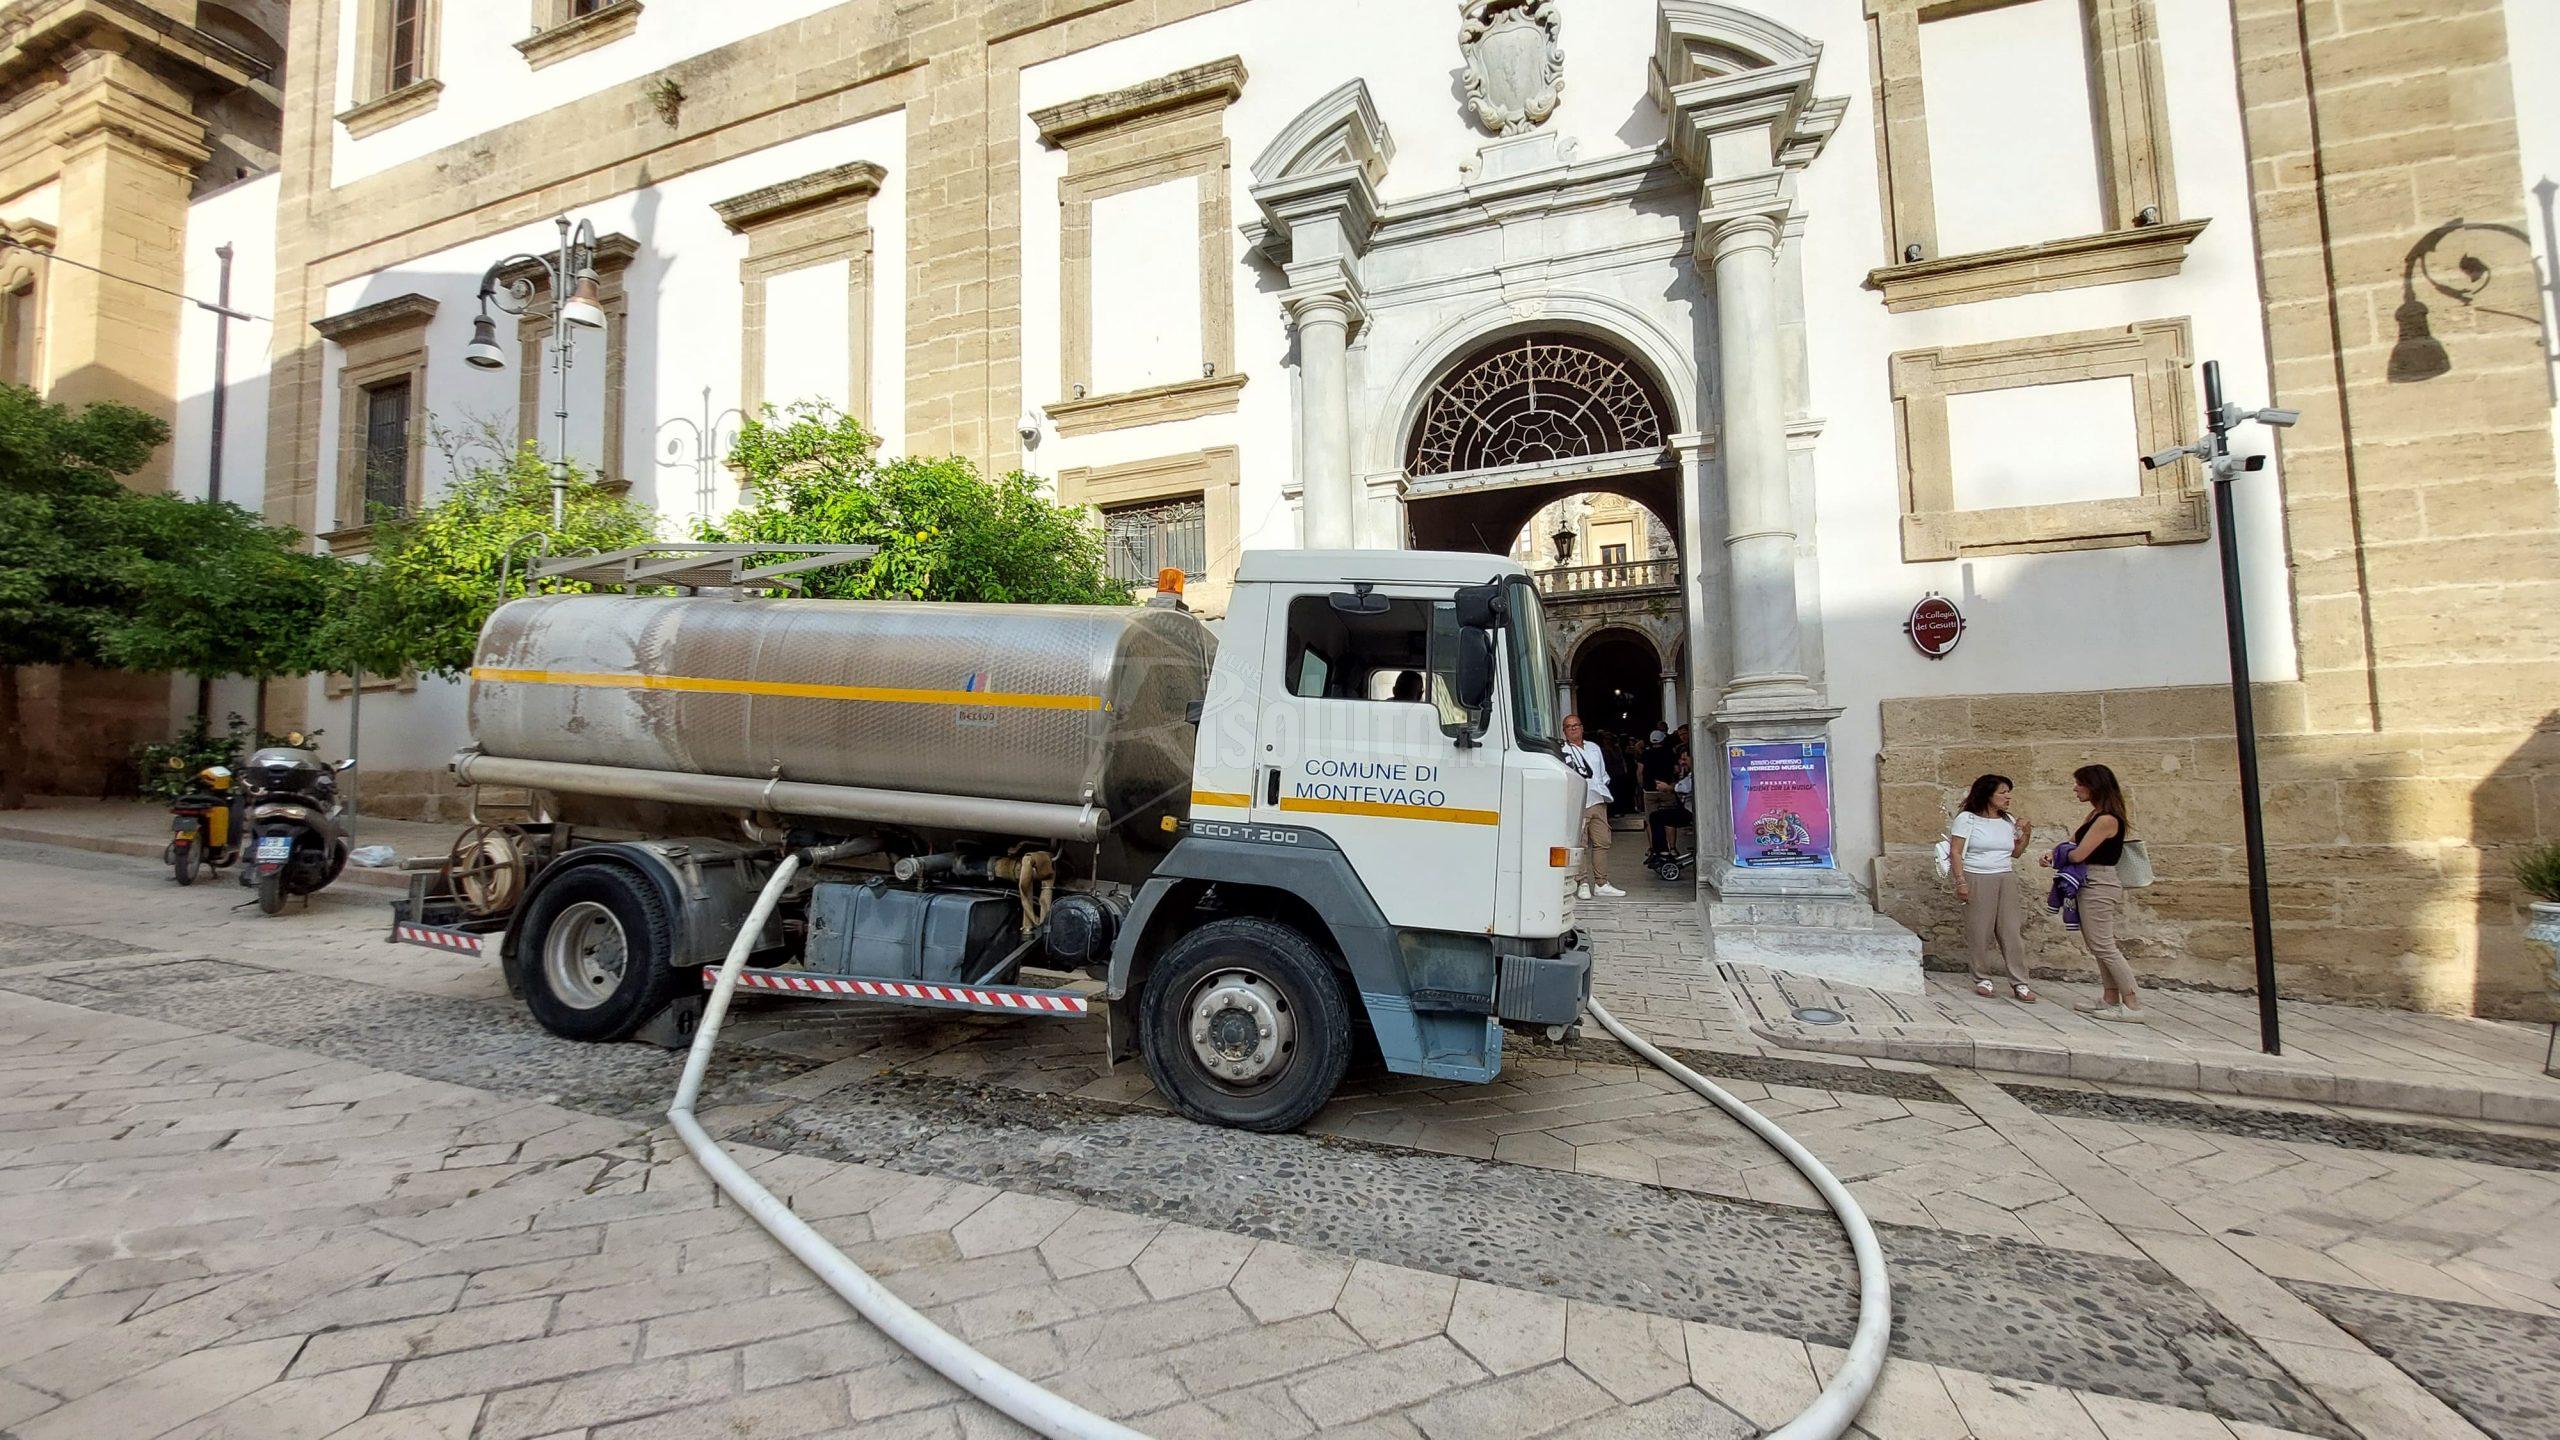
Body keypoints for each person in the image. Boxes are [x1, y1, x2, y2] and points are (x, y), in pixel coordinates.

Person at [2040, 763, 2142, 1022]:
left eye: (2080, 783)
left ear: (2094, 786)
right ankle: (2110, 998)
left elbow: (2077, 854)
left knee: (2104, 945)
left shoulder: (2107, 819)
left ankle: (2132, 1004)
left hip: (2099, 882)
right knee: (2096, 944)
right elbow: (2071, 843)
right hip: (2088, 880)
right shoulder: (2095, 815)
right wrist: (2053, 853)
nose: (2075, 789)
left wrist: (2059, 855)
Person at [1948, 773, 2033, 1002]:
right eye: (2002, 793)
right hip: (1977, 875)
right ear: (1988, 794)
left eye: (2008, 792)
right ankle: (1982, 977)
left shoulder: (2007, 820)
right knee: (1980, 929)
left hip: (2004, 876)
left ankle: (2020, 981)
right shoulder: (1967, 819)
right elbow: (1955, 851)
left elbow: (2016, 852)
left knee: (2011, 930)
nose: (2008, 797)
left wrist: (2026, 833)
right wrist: (1960, 881)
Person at [1560, 714, 1622, 897]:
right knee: (1580, 844)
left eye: (1576, 725)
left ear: (1582, 727)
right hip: (1577, 801)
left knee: (1602, 841)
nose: (1573, 728)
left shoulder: (1594, 748)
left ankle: (1601, 883)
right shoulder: (1562, 750)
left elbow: (1602, 773)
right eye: (1569, 726)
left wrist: (1602, 787)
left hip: (1597, 799)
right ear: (1564, 731)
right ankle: (1583, 882)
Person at [1647, 749, 1694, 859]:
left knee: (1656, 817)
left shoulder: (1695, 773)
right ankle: (1661, 851)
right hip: (1688, 809)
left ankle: (1663, 852)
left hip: (1691, 812)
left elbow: (1684, 788)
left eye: (1685, 759)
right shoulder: (1689, 773)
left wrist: (1667, 788)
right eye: (1681, 759)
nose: (1682, 762)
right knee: (1657, 816)